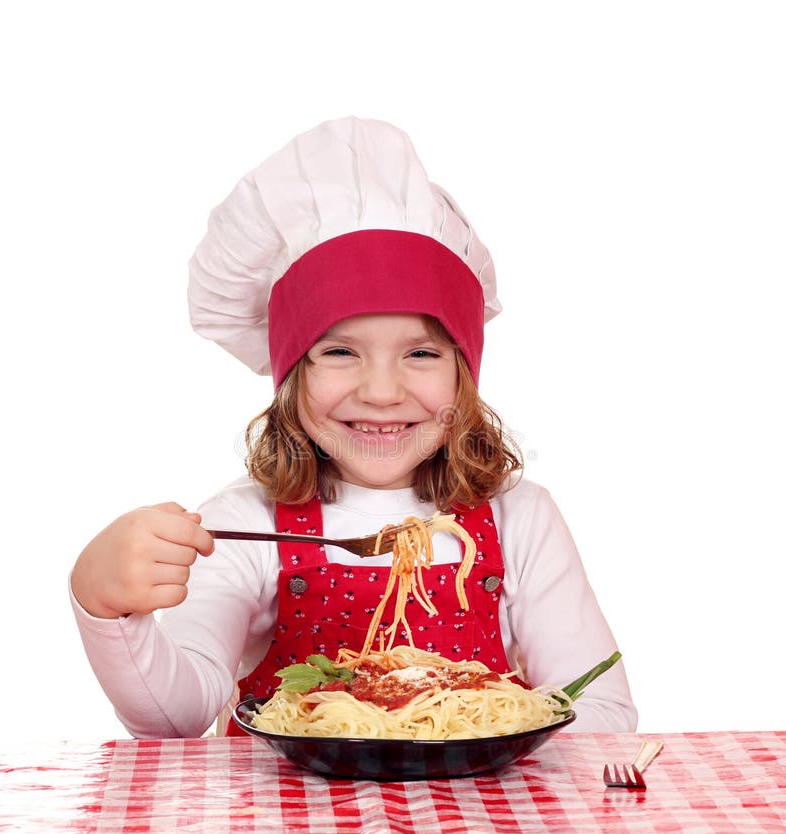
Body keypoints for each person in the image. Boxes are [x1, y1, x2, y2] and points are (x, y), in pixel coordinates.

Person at [71, 117, 637, 737]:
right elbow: (176, 718)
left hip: (476, 829)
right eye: (340, 353)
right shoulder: (246, 523)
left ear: (463, 376)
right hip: (288, 830)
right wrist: (109, 610)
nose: (382, 392)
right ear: (291, 377)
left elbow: (602, 712)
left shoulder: (518, 517)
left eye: (421, 354)